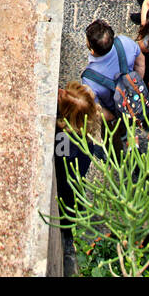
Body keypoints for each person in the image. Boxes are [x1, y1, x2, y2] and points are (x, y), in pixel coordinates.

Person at [54, 81, 104, 215]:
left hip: (68, 179)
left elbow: (61, 164)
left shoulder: (64, 137)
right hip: (79, 169)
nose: (59, 90)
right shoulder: (86, 125)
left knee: (69, 200)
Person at [80, 19, 146, 117]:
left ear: (92, 51)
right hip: (136, 95)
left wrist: (114, 118)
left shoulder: (89, 79)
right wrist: (134, 86)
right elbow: (140, 63)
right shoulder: (125, 42)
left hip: (117, 110)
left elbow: (98, 109)